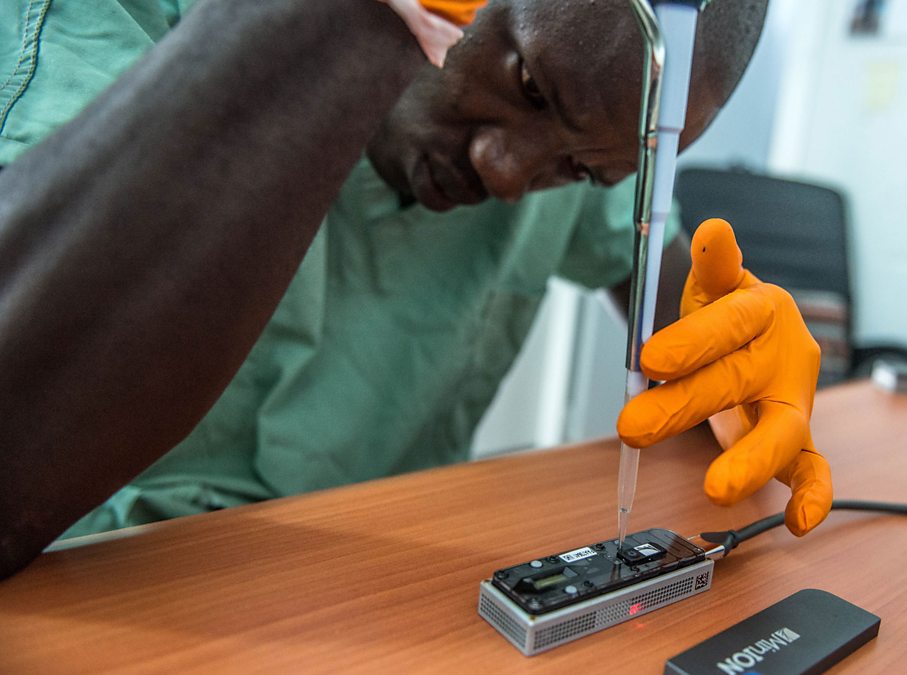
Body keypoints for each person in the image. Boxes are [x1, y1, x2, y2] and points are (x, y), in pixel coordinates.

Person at [0, 0, 830, 580]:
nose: (506, 174)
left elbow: (688, 315)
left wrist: (749, 350)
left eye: (577, 168)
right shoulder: (127, 16)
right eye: (528, 85)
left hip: (361, 606)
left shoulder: (583, 138)